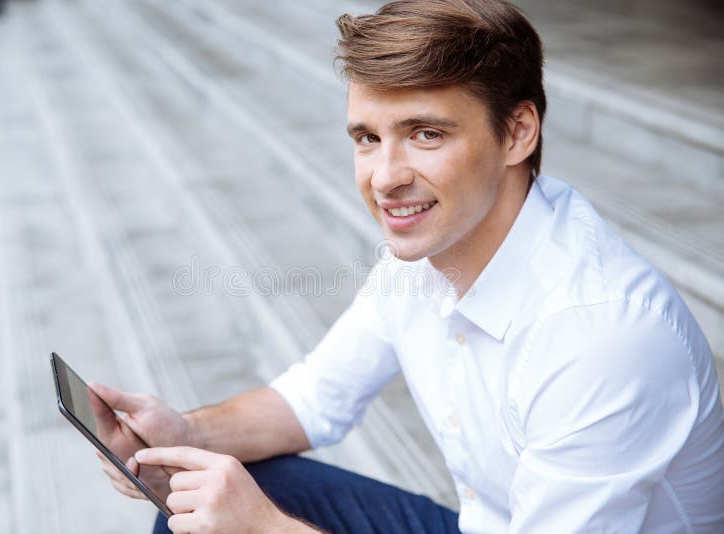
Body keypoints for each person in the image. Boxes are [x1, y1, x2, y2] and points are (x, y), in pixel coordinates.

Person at [91, 0, 724, 532]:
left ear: (517, 133)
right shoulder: (426, 253)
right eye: (368, 138)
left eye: (426, 134)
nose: (385, 178)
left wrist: (268, 528)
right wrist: (184, 433)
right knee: (197, 497)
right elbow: (313, 400)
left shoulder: (599, 335)